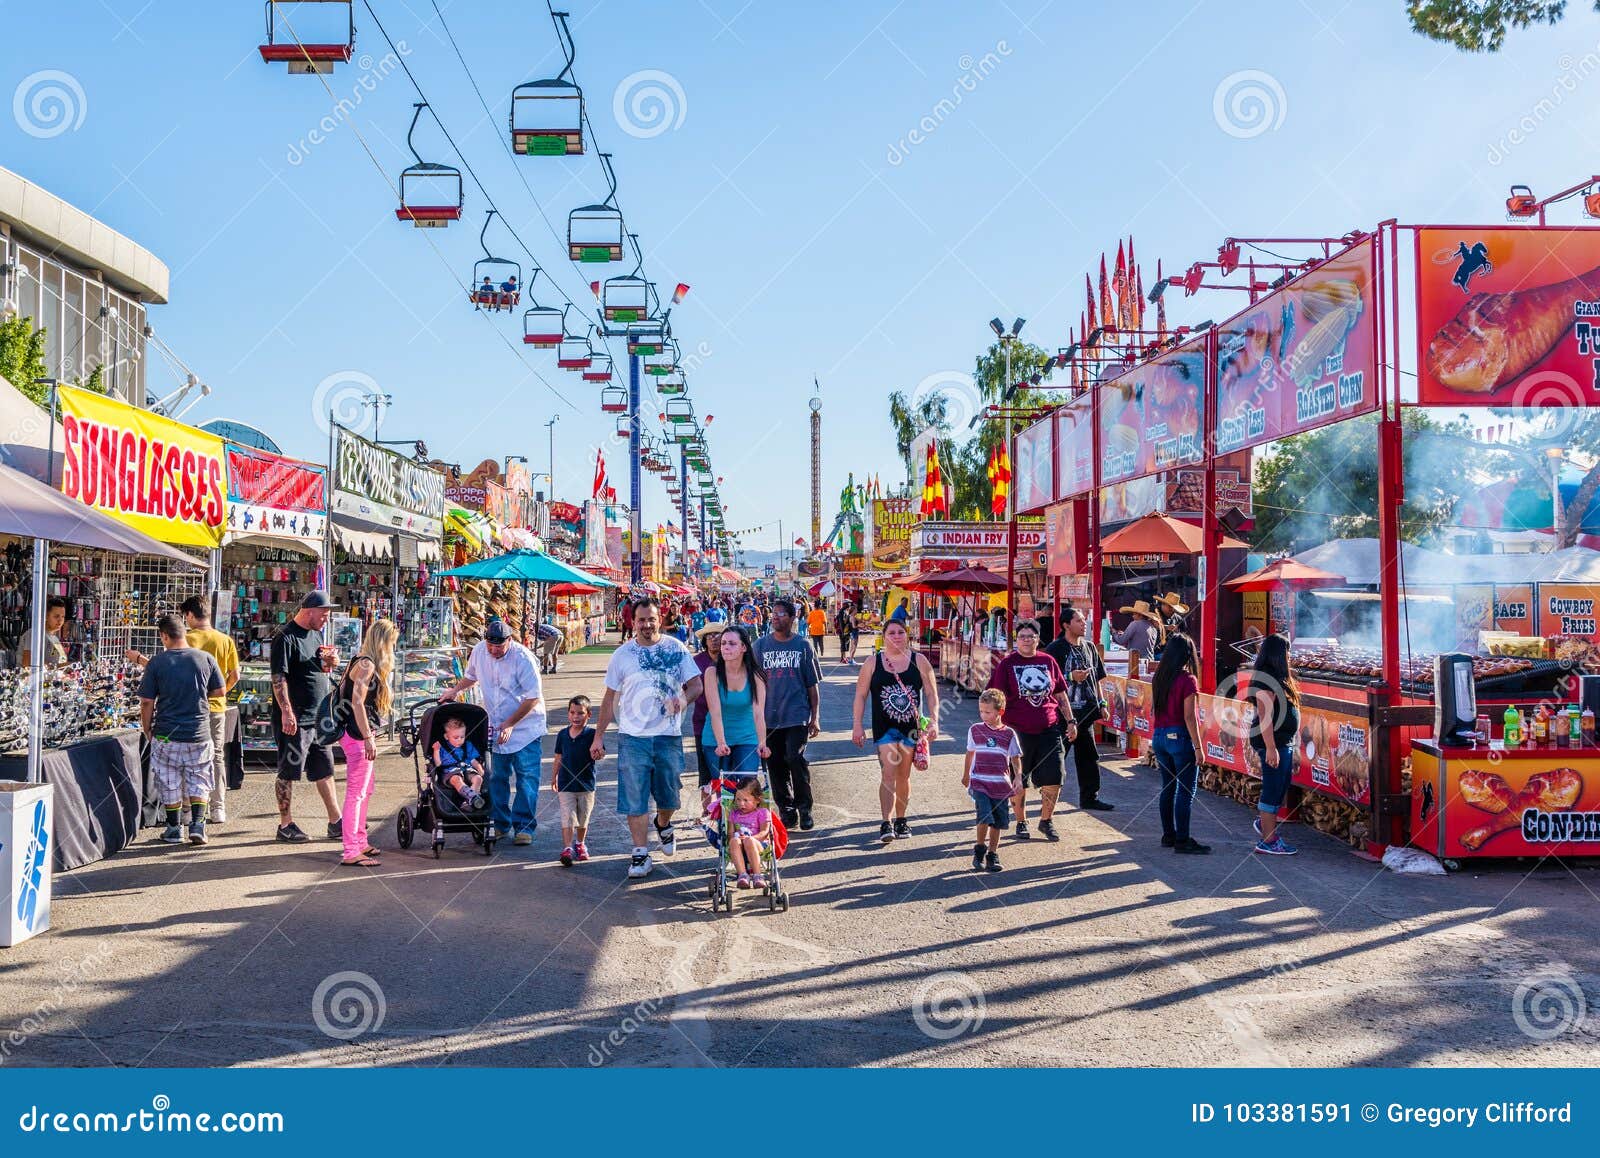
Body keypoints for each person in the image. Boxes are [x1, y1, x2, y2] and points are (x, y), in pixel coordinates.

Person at [591, 597, 704, 879]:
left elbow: (696, 685)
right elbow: (608, 699)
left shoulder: (676, 649)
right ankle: (640, 853)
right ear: (633, 622)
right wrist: (599, 736)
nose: (646, 624)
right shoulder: (622, 655)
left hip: (667, 736)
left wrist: (682, 698)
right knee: (634, 798)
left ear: (660, 619)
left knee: (669, 798)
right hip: (632, 738)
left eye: (651, 619)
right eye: (641, 620)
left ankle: (663, 824)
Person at [441, 618, 546, 846]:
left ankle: (524, 826)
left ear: (509, 640)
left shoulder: (523, 658)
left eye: (498, 646)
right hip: (496, 725)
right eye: (490, 645)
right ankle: (499, 823)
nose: (493, 650)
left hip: (525, 727)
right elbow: (471, 676)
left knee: (526, 778)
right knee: (497, 776)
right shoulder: (479, 651)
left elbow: (533, 696)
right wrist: (455, 690)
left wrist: (511, 723)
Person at [138, 614, 224, 846]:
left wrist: (147, 728)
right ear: (184, 633)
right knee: (199, 778)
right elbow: (220, 692)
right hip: (199, 733)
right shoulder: (205, 659)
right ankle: (197, 825)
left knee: (169, 780)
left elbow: (147, 701)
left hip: (166, 733)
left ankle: (175, 828)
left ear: (164, 636)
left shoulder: (157, 663)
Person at [852, 617, 939, 843]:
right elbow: (860, 695)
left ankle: (901, 820)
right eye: (891, 632)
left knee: (904, 775)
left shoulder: (919, 661)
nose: (896, 636)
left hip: (911, 729)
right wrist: (857, 725)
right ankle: (886, 822)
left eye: (900, 632)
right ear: (884, 635)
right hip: (884, 729)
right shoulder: (873, 662)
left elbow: (931, 693)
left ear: (907, 634)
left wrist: (934, 720)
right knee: (888, 773)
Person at [987, 618, 1072, 841]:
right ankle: (1021, 821)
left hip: (1049, 729)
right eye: (1022, 636)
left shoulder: (1048, 661)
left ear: (1038, 639)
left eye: (1031, 636)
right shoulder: (1007, 664)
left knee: (1055, 775)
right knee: (1018, 778)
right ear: (1017, 640)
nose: (1026, 640)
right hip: (1017, 732)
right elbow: (995, 696)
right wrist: (992, 725)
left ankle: (1046, 821)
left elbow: (1061, 694)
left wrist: (1071, 721)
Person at [271, 591, 342, 843]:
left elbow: (318, 667)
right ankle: (285, 824)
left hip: (318, 717)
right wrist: (286, 711)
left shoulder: (315, 633)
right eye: (324, 614)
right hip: (296, 718)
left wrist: (331, 662)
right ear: (310, 610)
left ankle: (336, 821)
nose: (326, 619)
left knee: (325, 769)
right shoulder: (285, 637)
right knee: (288, 771)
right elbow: (278, 678)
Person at [755, 599, 821, 829]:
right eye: (773, 614)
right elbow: (752, 684)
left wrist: (815, 717)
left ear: (793, 618)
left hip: (797, 715)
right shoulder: (760, 646)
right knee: (774, 765)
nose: (776, 617)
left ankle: (805, 808)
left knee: (795, 758)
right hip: (769, 718)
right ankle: (786, 808)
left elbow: (812, 685)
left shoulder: (803, 645)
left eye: (782, 614)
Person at [337, 618, 396, 867]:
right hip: (357, 734)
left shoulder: (359, 661)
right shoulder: (366, 664)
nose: (393, 648)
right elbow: (358, 702)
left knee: (365, 789)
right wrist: (368, 737)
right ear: (383, 642)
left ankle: (360, 841)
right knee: (357, 792)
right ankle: (351, 850)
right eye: (392, 643)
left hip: (355, 732)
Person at [1045, 607, 1115, 811]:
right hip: (1062, 716)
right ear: (1066, 625)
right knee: (1056, 759)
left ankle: (1090, 797)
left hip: (1086, 713)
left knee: (1089, 758)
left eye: (1084, 620)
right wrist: (1069, 677)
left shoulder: (1090, 647)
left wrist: (1102, 704)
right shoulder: (1055, 649)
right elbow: (1048, 681)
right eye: (1079, 620)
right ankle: (1047, 798)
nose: (1084, 623)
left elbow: (1097, 680)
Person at [179, 596, 240, 825]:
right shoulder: (225, 640)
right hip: (217, 708)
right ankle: (218, 808)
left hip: (190, 708)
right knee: (216, 757)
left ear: (191, 615)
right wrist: (219, 690)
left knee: (189, 758)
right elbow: (235, 676)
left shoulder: (185, 639)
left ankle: (188, 810)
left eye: (186, 616)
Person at [1150, 632, 1210, 854]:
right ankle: (1183, 840)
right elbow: (1189, 717)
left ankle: (1169, 835)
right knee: (1185, 790)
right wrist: (1198, 747)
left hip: (1160, 737)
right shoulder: (1188, 680)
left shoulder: (1159, 676)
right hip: (1180, 738)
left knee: (1168, 787)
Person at [1249, 633, 1301, 856]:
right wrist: (1270, 747)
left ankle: (1265, 824)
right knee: (1273, 786)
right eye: (1287, 652)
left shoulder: (1278, 678)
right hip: (1273, 742)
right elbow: (1265, 717)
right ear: (1279, 654)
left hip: (1283, 741)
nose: (1289, 656)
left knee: (1281, 783)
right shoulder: (1265, 679)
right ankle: (1268, 841)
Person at [964, 689, 1023, 872]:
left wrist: (1018, 777)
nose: (983, 715)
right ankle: (980, 847)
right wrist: (966, 774)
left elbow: (1015, 757)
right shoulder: (975, 730)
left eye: (987, 712)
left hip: (1000, 784)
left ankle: (992, 853)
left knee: (997, 822)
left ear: (1000, 712)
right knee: (984, 816)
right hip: (979, 781)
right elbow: (970, 753)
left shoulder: (1009, 734)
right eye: (981, 711)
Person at [704, 625, 770, 775]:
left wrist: (762, 743)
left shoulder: (756, 675)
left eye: (732, 644)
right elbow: (715, 712)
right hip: (715, 739)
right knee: (725, 792)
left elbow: (759, 714)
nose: (726, 647)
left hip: (747, 737)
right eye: (723, 643)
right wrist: (721, 743)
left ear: (744, 648)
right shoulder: (712, 673)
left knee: (746, 785)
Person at [552, 694, 598, 866]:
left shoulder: (593, 734)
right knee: (568, 817)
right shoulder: (563, 734)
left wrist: (598, 753)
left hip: (586, 784)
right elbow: (558, 757)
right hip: (566, 783)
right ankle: (567, 848)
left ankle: (580, 844)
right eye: (572, 713)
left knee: (583, 817)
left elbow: (599, 753)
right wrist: (554, 777)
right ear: (568, 714)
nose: (576, 717)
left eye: (580, 713)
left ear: (589, 714)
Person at [724, 775, 774, 890]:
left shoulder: (762, 812)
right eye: (738, 799)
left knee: (750, 840)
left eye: (746, 800)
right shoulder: (734, 814)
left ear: (757, 800)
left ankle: (757, 875)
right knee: (734, 841)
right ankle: (742, 875)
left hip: (760, 845)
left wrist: (751, 838)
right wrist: (736, 838)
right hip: (739, 847)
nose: (741, 804)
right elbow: (730, 833)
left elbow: (765, 832)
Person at [433, 716, 487, 809]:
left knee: (478, 779)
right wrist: (436, 751)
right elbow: (438, 764)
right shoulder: (442, 748)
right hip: (450, 772)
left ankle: (467, 802)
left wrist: (479, 768)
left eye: (462, 737)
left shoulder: (467, 745)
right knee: (457, 780)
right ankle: (474, 798)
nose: (459, 740)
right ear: (446, 736)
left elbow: (473, 760)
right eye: (456, 737)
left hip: (467, 768)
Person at [20, 596, 69, 667]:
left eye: (63, 617)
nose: (60, 620)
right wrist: (59, 667)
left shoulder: (55, 638)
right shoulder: (34, 634)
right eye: (56, 616)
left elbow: (62, 661)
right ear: (46, 616)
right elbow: (27, 662)